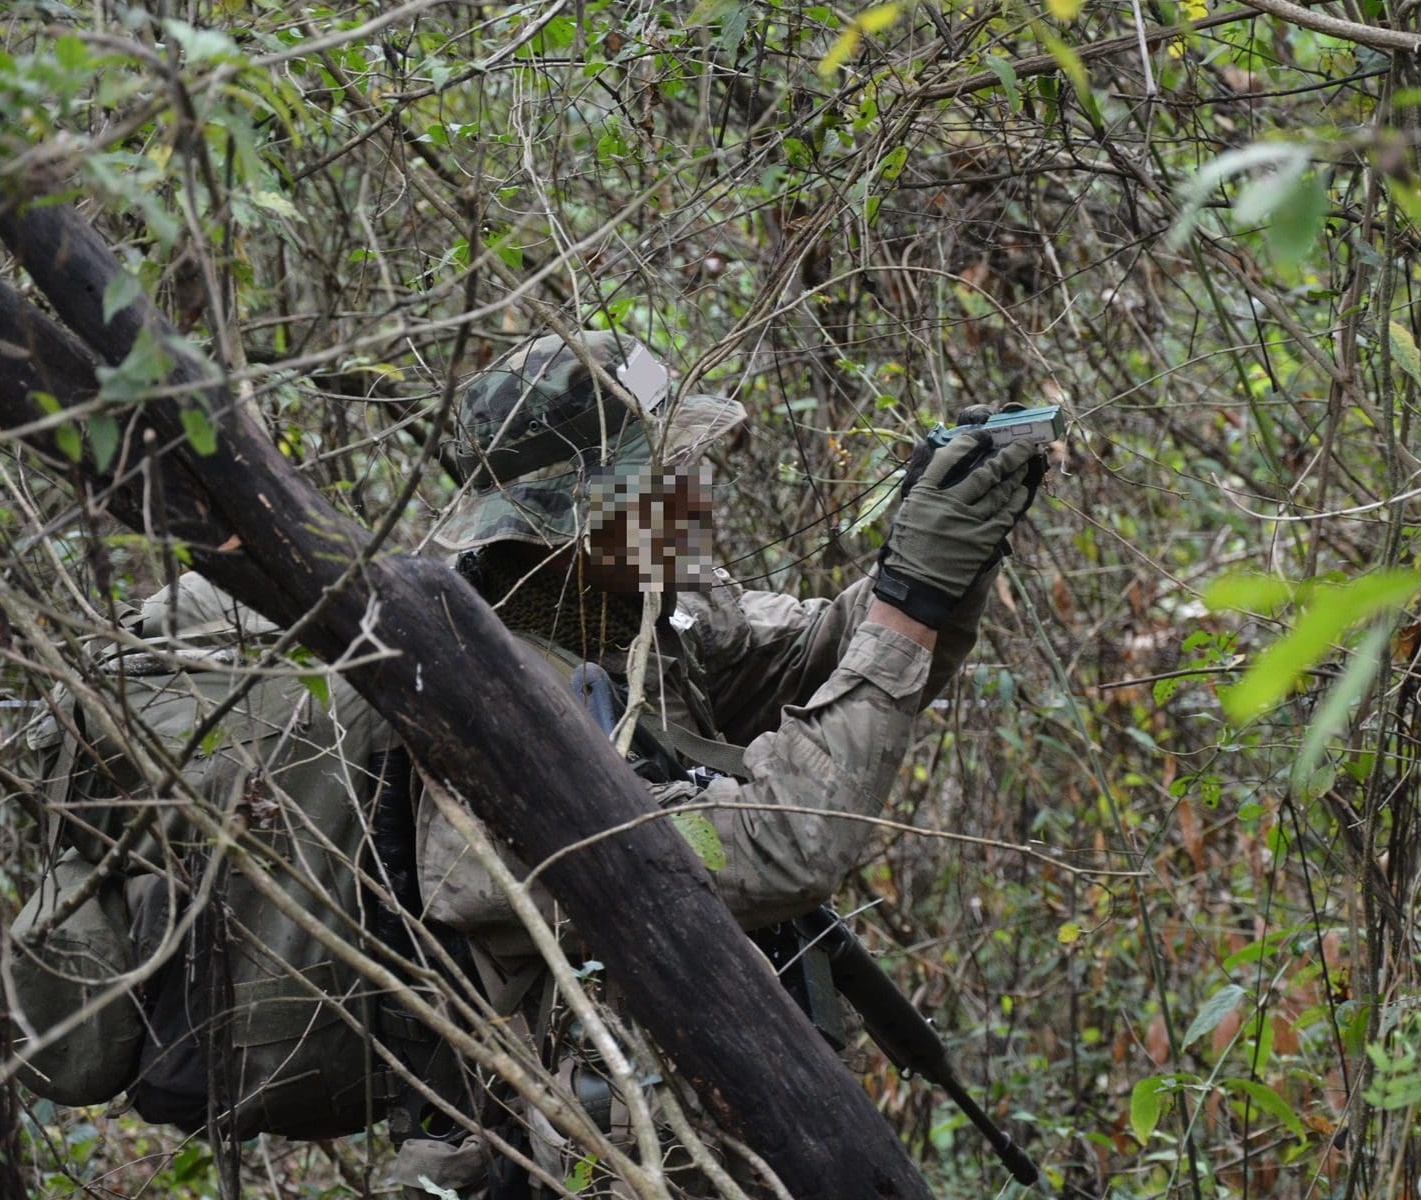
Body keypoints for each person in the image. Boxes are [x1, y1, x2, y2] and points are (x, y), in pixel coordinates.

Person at [394, 328, 1047, 1193]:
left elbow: (815, 654)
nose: (695, 503)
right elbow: (787, 844)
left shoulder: (644, 611)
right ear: (573, 518)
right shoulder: (481, 720)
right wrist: (908, 602)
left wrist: (940, 541)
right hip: (597, 1163)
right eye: (661, 485)